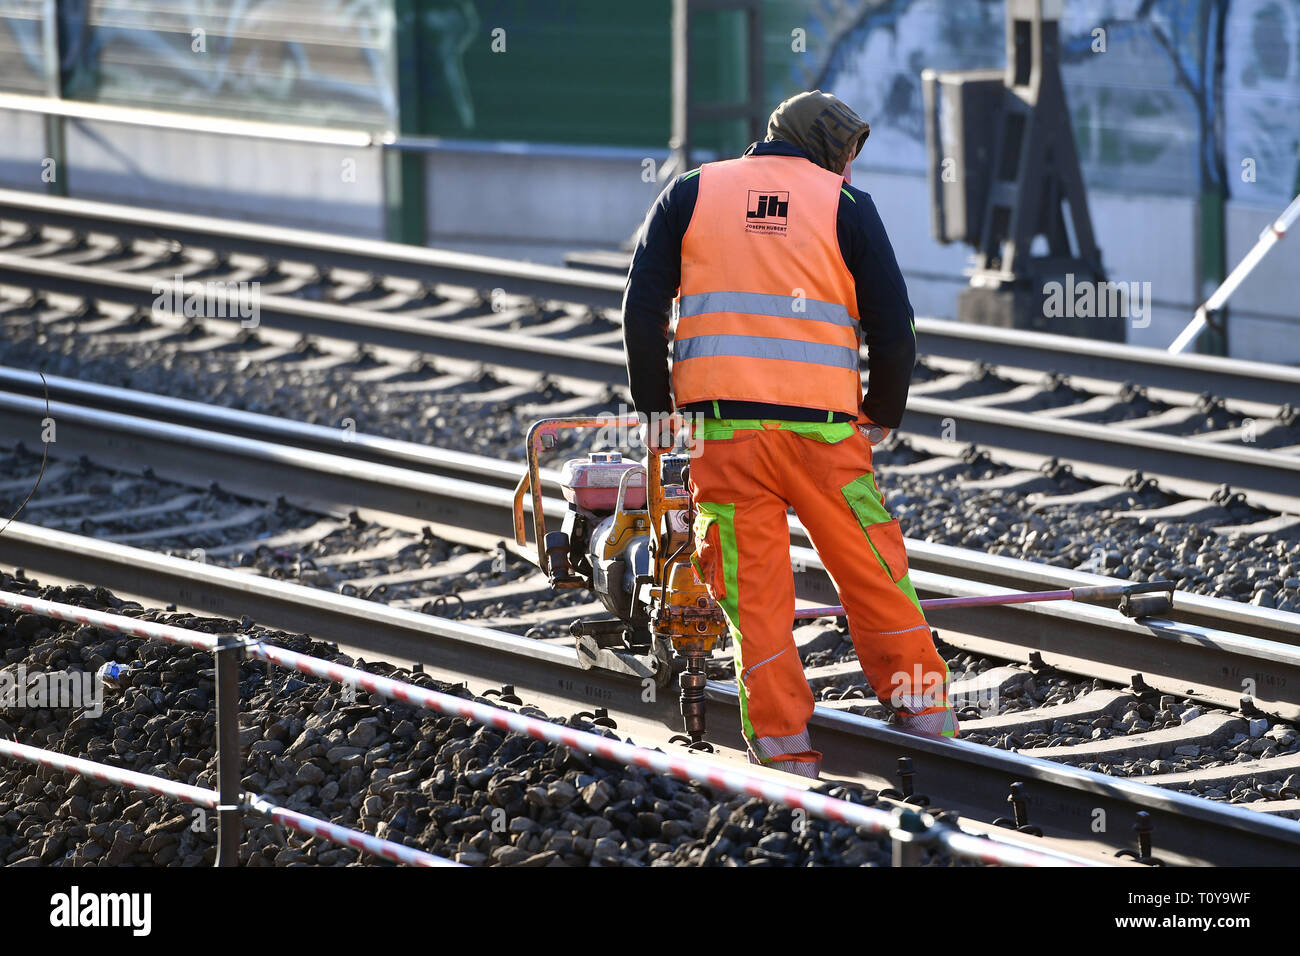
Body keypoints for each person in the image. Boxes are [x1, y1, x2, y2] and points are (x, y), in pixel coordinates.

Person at [622, 90, 957, 778]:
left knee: (757, 597)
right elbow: (895, 327)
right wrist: (884, 409)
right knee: (873, 572)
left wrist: (656, 409)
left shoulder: (690, 192)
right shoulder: (846, 207)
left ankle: (785, 750)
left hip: (727, 439)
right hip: (826, 438)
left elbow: (641, 307)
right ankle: (923, 713)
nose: (848, 170)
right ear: (826, 151)